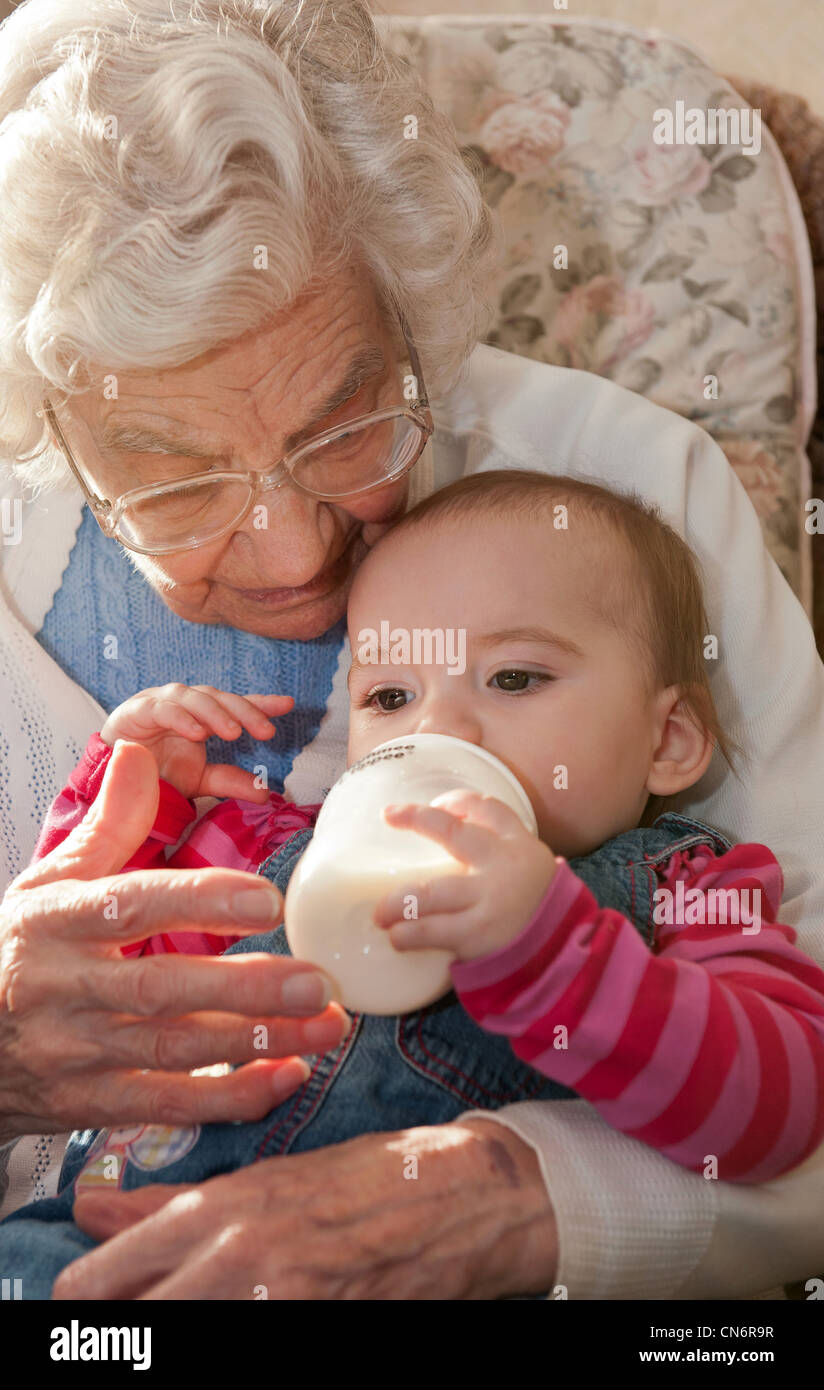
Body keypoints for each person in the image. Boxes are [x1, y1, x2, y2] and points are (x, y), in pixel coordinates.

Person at [1, 0, 824, 1301]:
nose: (288, 557)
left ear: (413, 319)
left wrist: (522, 1194)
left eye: (344, 426)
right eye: (175, 479)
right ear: (47, 430)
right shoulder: (222, 799)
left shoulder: (620, 495)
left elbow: (796, 1075)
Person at [4, 469, 824, 1298]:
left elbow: (778, 1110)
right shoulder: (283, 850)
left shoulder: (687, 889)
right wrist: (140, 794)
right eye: (391, 694)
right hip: (106, 1249)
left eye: (512, 678)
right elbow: (103, 989)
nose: (437, 729)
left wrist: (555, 952)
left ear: (670, 739)